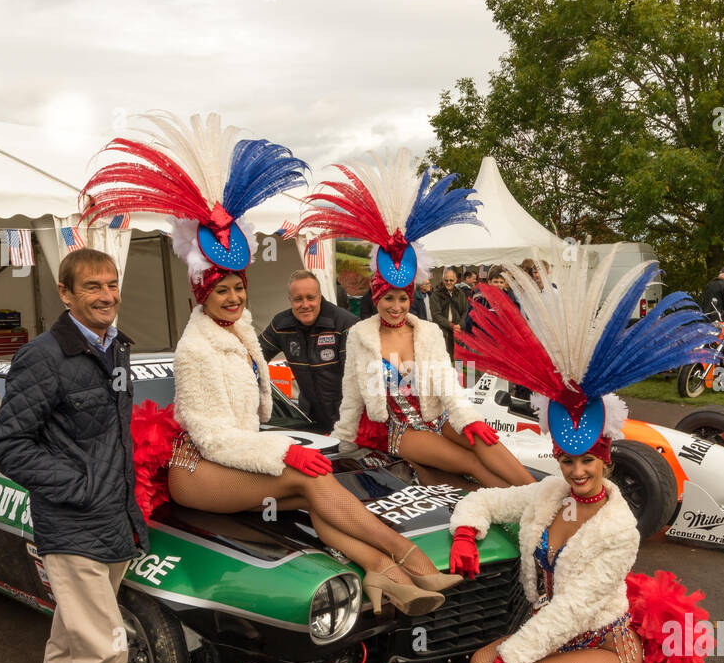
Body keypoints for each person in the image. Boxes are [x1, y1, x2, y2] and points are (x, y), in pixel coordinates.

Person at [84, 112, 457, 619]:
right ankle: (409, 559)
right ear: (203, 293)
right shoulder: (195, 349)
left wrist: (285, 446)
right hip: (198, 467)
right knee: (314, 482)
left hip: (235, 456)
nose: (234, 297)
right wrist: (284, 451)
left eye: (238, 288)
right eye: (222, 290)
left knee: (315, 495)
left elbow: (257, 415)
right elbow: (212, 436)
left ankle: (384, 572)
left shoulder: (240, 333)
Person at [451, 254, 716, 663]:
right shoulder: (550, 493)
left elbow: (572, 610)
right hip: (554, 635)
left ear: (606, 460)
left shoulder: (620, 529)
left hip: (600, 642)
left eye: (587, 463)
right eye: (567, 461)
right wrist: (468, 529)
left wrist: (514, 658)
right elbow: (488, 499)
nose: (576, 473)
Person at [0, 247, 148, 663]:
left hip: (113, 522)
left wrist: (127, 500)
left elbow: (114, 439)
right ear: (65, 293)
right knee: (107, 649)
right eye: (92, 287)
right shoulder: (44, 356)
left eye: (112, 284)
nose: (106, 295)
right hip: (71, 523)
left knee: (68, 643)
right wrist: (79, 484)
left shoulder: (117, 347)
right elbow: (8, 446)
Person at [303, 149, 535, 490]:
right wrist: (343, 446)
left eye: (402, 299)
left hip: (436, 416)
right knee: (469, 463)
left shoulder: (426, 331)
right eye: (388, 299)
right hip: (399, 430)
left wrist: (469, 419)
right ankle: (525, 506)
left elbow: (447, 384)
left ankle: (543, 496)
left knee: (486, 442)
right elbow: (351, 396)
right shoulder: (360, 335)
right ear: (377, 298)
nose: (395, 307)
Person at [259, 269, 358, 433]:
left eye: (310, 298)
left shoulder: (345, 324)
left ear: (320, 296)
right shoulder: (281, 324)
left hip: (348, 419)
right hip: (310, 419)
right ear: (290, 300)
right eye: (298, 299)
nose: (305, 305)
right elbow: (255, 355)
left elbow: (356, 381)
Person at [430, 267, 468, 357]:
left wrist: (460, 325)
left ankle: (459, 371)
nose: (449, 282)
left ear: (456, 280)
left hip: (458, 330)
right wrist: (451, 326)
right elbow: (436, 315)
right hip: (442, 331)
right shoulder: (436, 294)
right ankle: (448, 371)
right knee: (445, 357)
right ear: (443, 280)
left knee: (459, 356)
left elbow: (465, 311)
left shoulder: (460, 294)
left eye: (451, 280)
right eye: (446, 280)